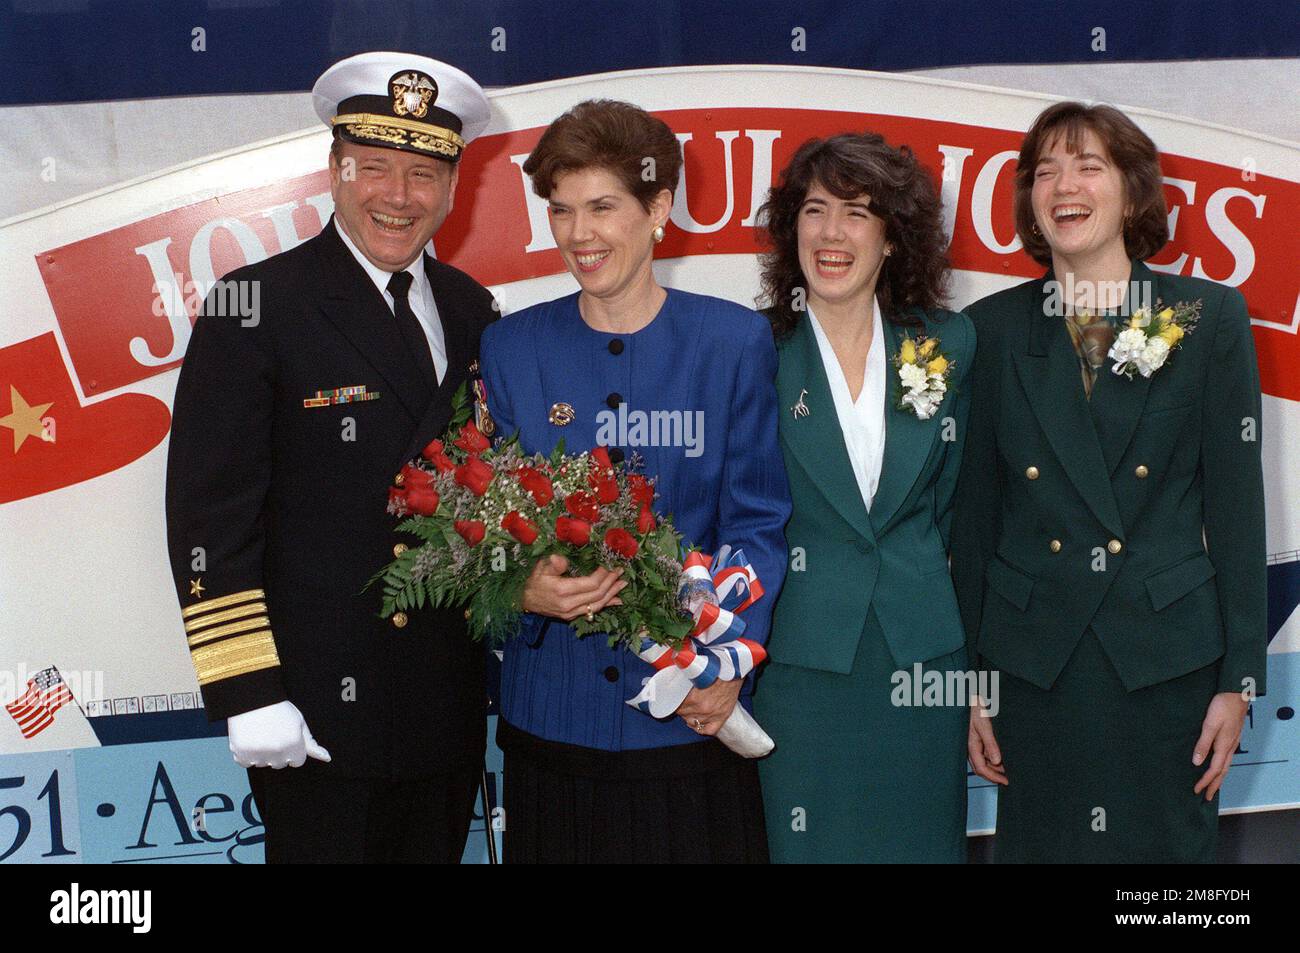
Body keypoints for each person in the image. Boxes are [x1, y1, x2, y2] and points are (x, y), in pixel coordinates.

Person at [165, 52, 497, 863]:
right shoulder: (254, 307)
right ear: (335, 169)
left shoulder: (471, 306)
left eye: (423, 173)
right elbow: (209, 517)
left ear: (454, 186)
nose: (398, 195)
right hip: (314, 714)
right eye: (374, 167)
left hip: (443, 703)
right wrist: (248, 691)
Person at [950, 101, 1267, 863]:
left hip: (1163, 665)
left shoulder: (1207, 318)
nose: (1066, 184)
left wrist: (1241, 680)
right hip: (1036, 666)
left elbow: (1236, 509)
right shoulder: (990, 331)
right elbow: (973, 522)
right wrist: (968, 683)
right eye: (1046, 170)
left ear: (1133, 192)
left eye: (1090, 165)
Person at [478, 99, 791, 864]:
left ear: (659, 208)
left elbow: (756, 519)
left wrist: (730, 663)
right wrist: (519, 589)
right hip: (554, 721)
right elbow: (478, 519)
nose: (580, 234)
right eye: (561, 210)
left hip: (688, 723)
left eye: (603, 207)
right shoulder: (509, 346)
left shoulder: (733, 341)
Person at [751, 133, 975, 862]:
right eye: (815, 210)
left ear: (891, 239)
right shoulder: (754, 350)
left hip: (922, 667)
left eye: (856, 212)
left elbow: (954, 507)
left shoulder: (949, 344)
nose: (831, 233)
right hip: (801, 667)